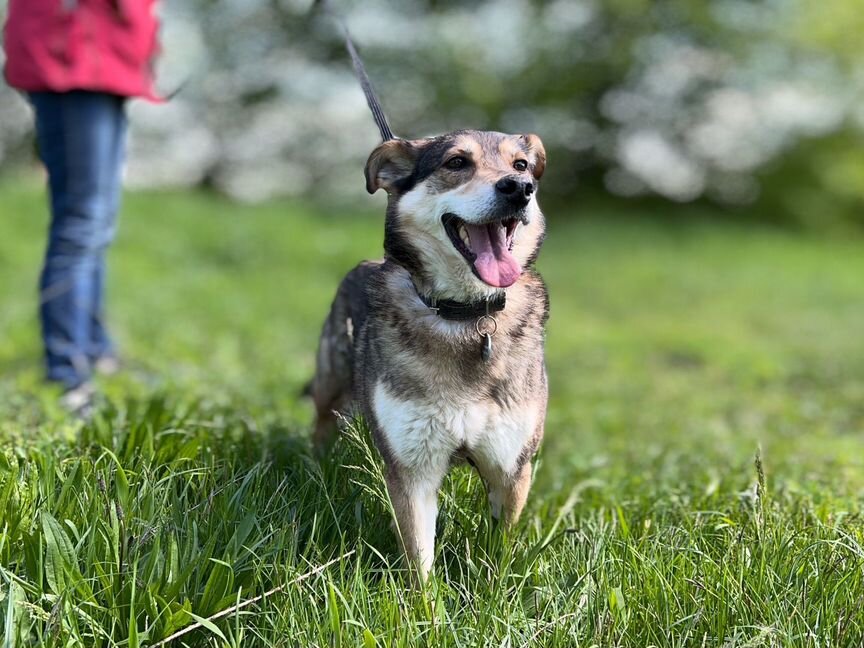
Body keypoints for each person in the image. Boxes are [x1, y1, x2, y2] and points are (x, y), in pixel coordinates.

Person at [3, 0, 161, 413]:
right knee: (81, 224)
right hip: (72, 56)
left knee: (96, 223)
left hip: (103, 59)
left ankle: (93, 350)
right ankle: (66, 372)